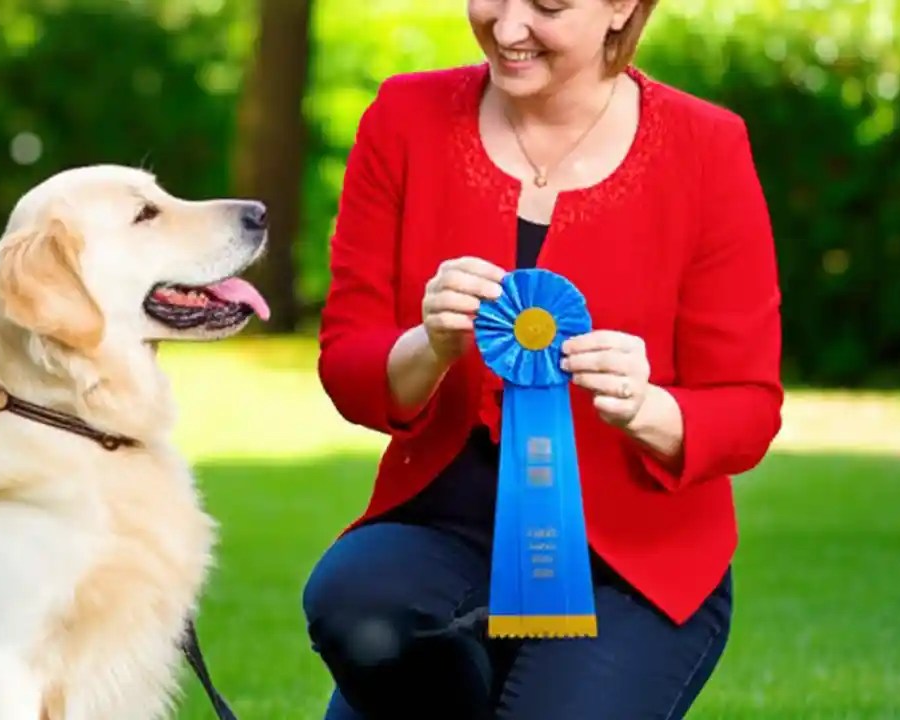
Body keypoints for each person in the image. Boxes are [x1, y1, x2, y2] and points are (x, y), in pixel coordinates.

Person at [302, 0, 784, 718]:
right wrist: (430, 343)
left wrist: (647, 406)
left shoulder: (707, 145)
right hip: (441, 533)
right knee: (355, 601)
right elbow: (349, 362)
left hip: (633, 569)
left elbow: (747, 408)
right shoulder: (403, 118)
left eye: (548, 5)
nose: (507, 25)